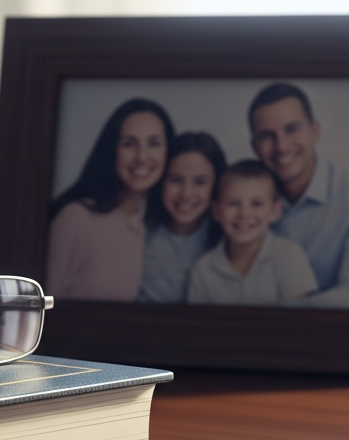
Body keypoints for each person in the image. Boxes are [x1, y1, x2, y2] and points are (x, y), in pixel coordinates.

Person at [247, 83, 349, 309]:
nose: (281, 146)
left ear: (315, 131)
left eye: (291, 129)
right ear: (254, 147)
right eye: (267, 136)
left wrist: (271, 317)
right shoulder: (243, 196)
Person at [46, 98, 172, 301]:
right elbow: (39, 310)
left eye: (154, 143)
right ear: (112, 149)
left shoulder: (153, 222)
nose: (142, 156)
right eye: (129, 143)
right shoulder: (75, 220)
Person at [187, 160, 317, 305]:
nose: (244, 214)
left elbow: (298, 322)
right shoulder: (203, 270)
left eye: (256, 203)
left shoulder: (289, 256)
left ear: (275, 211)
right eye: (233, 203)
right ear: (216, 211)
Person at [138, 132, 227, 303]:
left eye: (200, 182)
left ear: (217, 186)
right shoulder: (141, 231)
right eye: (176, 180)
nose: (186, 194)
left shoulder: (227, 239)